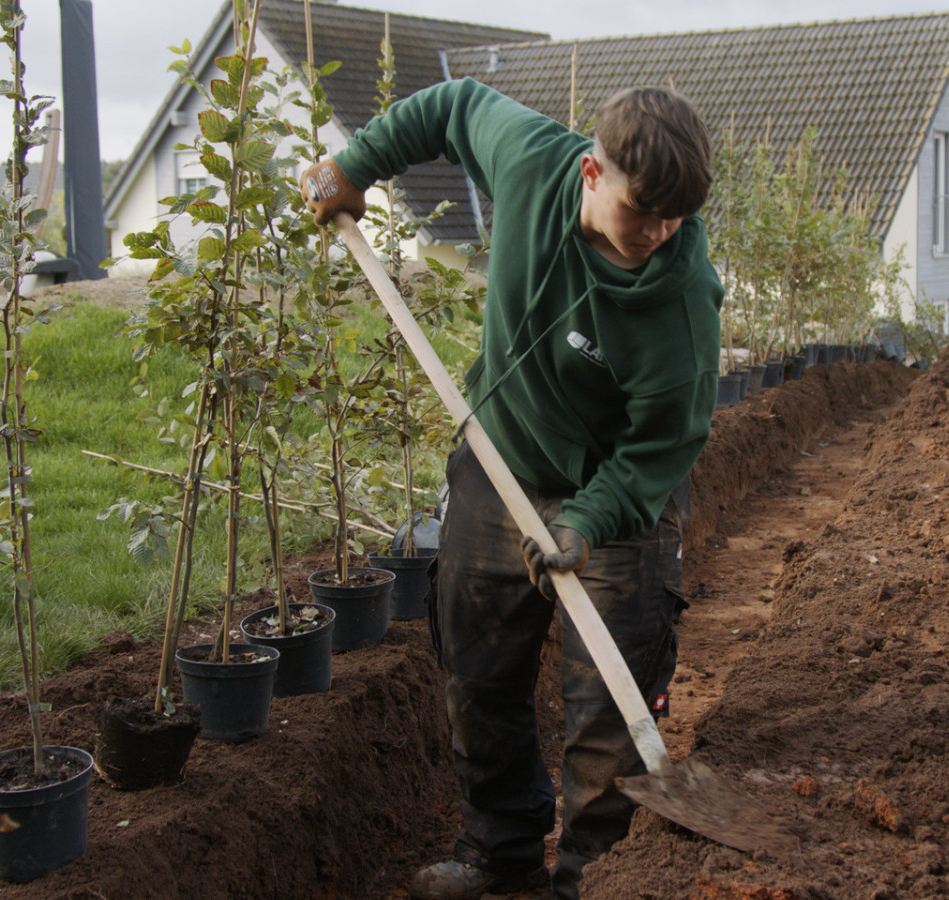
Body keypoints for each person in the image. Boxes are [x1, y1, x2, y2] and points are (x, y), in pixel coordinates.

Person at [302, 78, 721, 900]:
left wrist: (591, 520)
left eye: (676, 217)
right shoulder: (533, 162)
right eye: (645, 212)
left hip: (613, 495)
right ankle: (500, 852)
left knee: (609, 705)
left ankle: (592, 878)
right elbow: (451, 104)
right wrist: (355, 166)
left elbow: (662, 445)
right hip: (499, 465)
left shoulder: (680, 307)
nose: (660, 232)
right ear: (592, 173)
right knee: (478, 669)